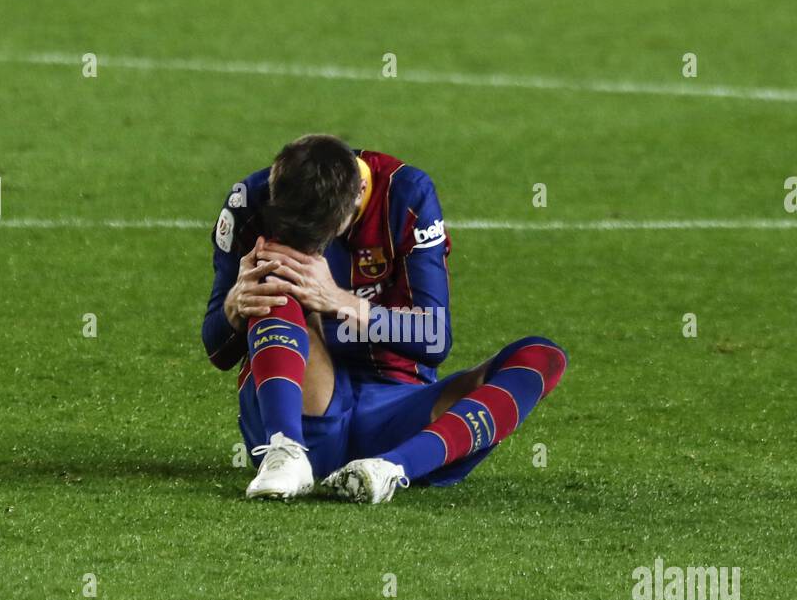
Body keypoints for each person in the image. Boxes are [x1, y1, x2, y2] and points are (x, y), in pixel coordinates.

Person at [201, 134, 567, 503]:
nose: (312, 247)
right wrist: (234, 306)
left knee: (542, 356)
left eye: (326, 234)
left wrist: (339, 301)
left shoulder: (406, 195)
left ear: (360, 191)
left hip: (395, 415)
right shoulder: (249, 201)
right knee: (274, 280)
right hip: (301, 407)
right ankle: (285, 453)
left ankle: (389, 470)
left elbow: (435, 340)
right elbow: (218, 351)